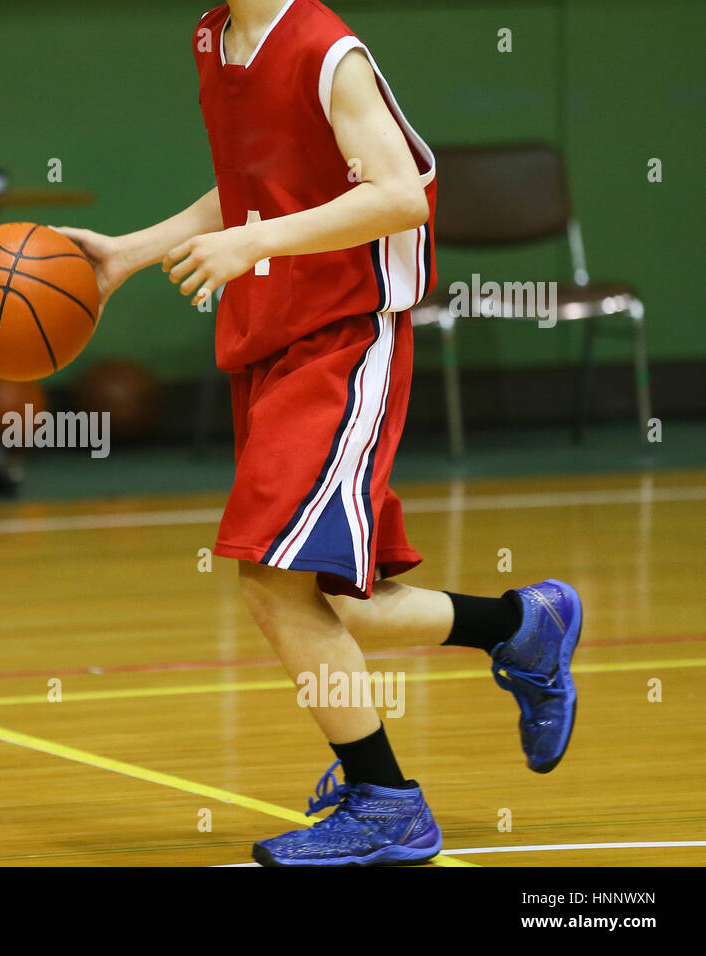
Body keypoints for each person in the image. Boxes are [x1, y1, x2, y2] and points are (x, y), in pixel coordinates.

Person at [53, 0, 581, 867]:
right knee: (331, 602)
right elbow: (259, 187)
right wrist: (130, 253)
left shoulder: (327, 51)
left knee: (270, 580)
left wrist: (253, 242)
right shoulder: (214, 38)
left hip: (346, 338)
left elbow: (399, 197)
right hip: (271, 339)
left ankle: (387, 802)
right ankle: (523, 624)